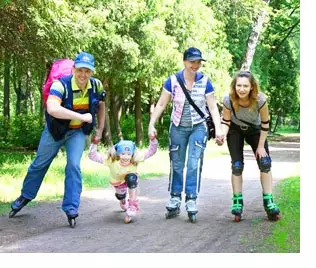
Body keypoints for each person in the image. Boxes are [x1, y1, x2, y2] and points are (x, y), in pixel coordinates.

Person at [9, 52, 106, 228]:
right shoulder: (61, 85)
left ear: (92, 72)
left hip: (77, 132)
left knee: (74, 166)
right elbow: (52, 108)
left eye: (87, 71)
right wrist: (81, 116)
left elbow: (101, 106)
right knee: (39, 164)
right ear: (74, 69)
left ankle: (71, 208)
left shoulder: (96, 86)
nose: (83, 75)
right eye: (80, 70)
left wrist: (99, 129)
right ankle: (26, 195)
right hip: (55, 131)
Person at [148, 47, 224, 223]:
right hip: (178, 127)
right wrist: (151, 124)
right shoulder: (173, 81)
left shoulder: (205, 81)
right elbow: (161, 104)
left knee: (193, 163)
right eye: (192, 62)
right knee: (177, 163)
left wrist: (219, 129)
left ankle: (191, 199)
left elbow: (212, 107)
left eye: (198, 62)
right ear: (184, 62)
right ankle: (175, 198)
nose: (195, 65)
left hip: (198, 126)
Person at [220, 70, 280, 222]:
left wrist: (261, 146)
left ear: (252, 87)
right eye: (239, 85)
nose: (241, 89)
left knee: (265, 163)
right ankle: (237, 202)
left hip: (256, 130)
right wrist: (222, 134)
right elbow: (226, 122)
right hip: (235, 130)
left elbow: (265, 124)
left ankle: (269, 201)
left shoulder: (260, 100)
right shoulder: (228, 99)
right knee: (237, 165)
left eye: (245, 86)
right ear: (234, 86)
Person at [88, 137, 158, 223]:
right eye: (123, 154)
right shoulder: (112, 160)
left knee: (132, 178)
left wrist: (153, 139)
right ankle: (123, 200)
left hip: (130, 179)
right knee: (120, 195)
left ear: (132, 154)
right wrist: (94, 144)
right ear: (118, 153)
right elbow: (93, 156)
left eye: (129, 154)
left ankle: (132, 205)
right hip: (118, 181)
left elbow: (151, 151)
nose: (126, 157)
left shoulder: (135, 159)